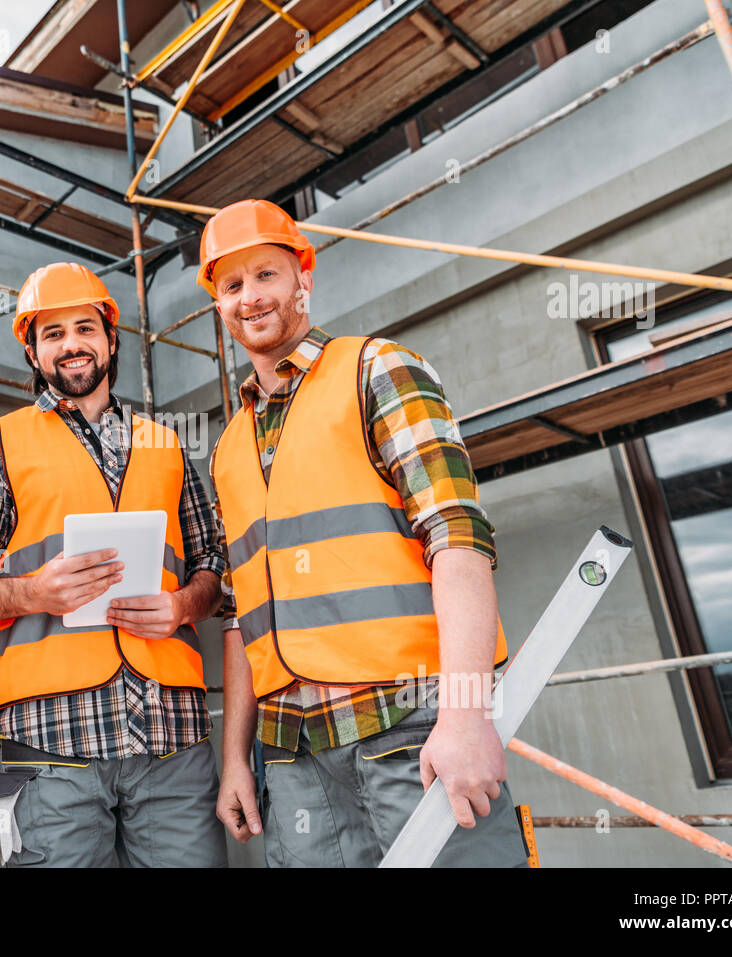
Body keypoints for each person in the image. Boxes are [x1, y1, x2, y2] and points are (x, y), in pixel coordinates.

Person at [203, 199, 531, 867]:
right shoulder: (228, 446)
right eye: (231, 285)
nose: (250, 297)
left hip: (410, 728)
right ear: (218, 303)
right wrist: (236, 757)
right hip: (294, 754)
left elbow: (458, 537)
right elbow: (240, 615)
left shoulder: (377, 370)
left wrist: (465, 716)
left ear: (304, 278)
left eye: (266, 274)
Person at [0, 261, 228, 867]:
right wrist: (32, 593)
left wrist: (181, 605)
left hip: (171, 737)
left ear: (110, 338)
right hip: (50, 745)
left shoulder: (163, 441)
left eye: (84, 328)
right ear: (33, 351)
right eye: (53, 333)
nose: (72, 344)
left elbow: (213, 567)